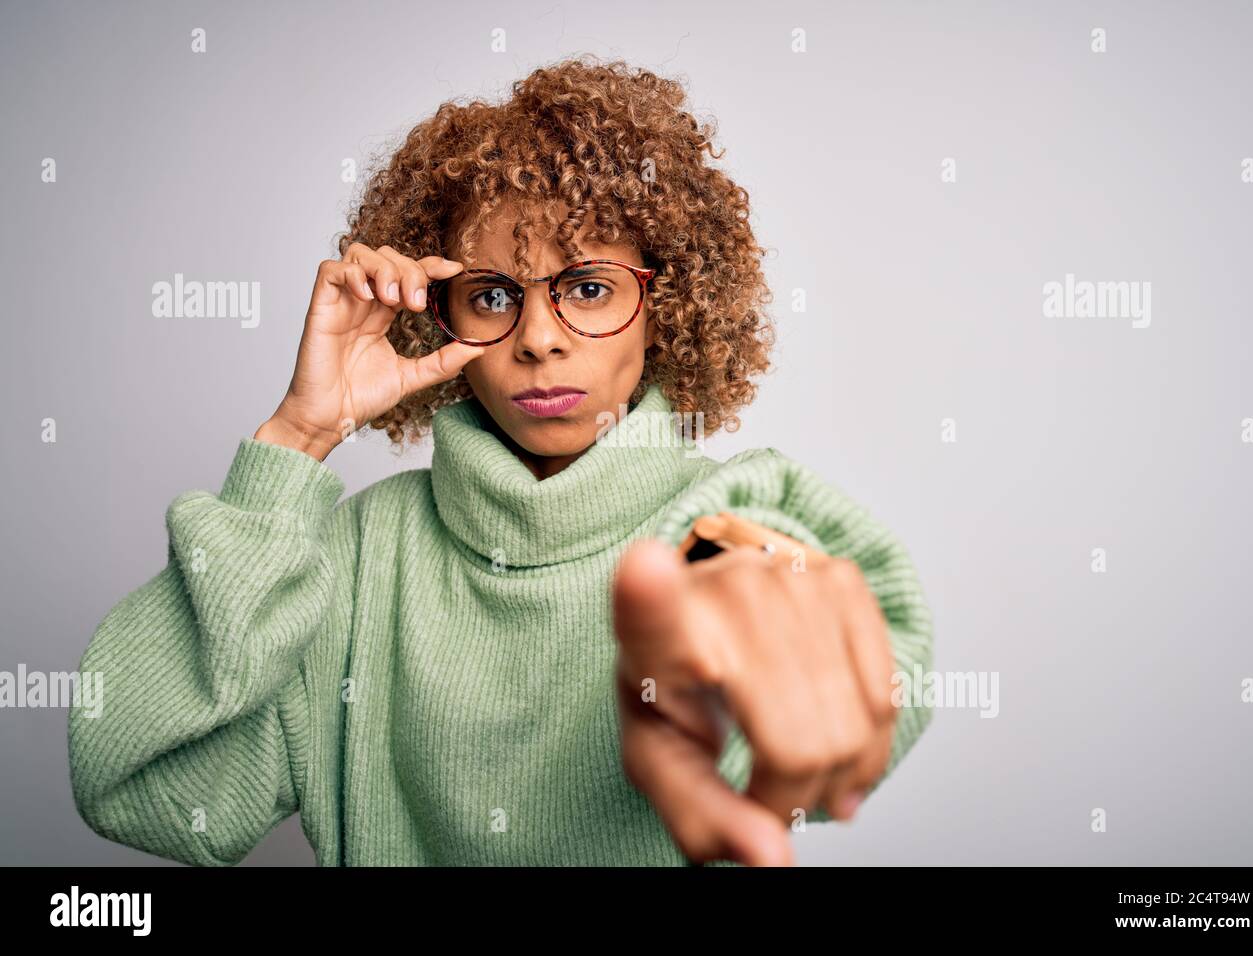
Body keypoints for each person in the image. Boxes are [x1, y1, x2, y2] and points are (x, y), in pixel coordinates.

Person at [67, 55, 934, 867]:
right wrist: (299, 437)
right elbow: (138, 781)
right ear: (435, 318)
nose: (539, 339)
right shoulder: (354, 555)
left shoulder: (731, 522)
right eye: (490, 297)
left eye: (588, 286)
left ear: (664, 305)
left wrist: (751, 691)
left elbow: (862, 686)